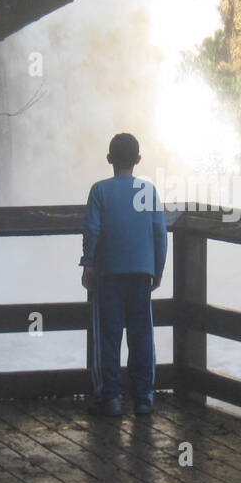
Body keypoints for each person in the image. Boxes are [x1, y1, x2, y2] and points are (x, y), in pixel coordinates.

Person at [80, 133, 167, 417]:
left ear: (109, 159)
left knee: (108, 334)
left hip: (109, 273)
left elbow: (92, 230)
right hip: (141, 271)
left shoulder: (99, 191)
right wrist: (158, 268)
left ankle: (112, 397)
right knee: (141, 335)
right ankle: (143, 398)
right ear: (138, 160)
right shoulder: (147, 190)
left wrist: (88, 263)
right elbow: (159, 233)